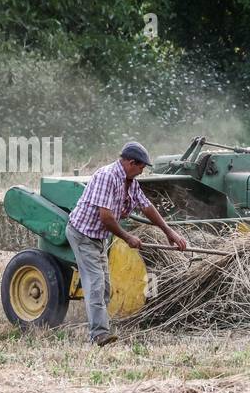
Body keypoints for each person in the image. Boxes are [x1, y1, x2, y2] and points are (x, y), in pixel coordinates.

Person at [64, 141, 188, 346]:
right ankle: (99, 335)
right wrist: (128, 237)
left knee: (104, 287)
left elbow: (146, 206)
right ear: (131, 163)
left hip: (99, 237)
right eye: (141, 167)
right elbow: (106, 217)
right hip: (83, 235)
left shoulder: (130, 182)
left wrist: (169, 232)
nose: (142, 171)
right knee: (95, 284)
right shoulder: (107, 177)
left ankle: (100, 327)